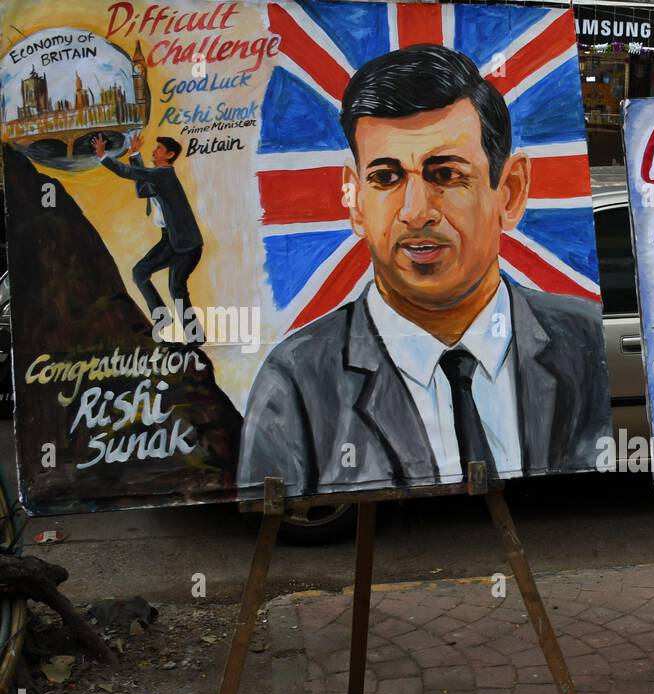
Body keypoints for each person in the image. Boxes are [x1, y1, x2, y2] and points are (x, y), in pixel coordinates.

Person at [238, 44, 608, 496]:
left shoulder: (586, 342)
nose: (415, 212)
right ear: (355, 200)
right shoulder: (296, 383)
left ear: (510, 192)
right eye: (386, 178)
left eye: (446, 175)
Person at [92, 130, 204, 344]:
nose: (154, 151)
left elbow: (128, 173)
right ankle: (181, 328)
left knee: (161, 282)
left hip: (184, 244)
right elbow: (142, 189)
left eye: (159, 149)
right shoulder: (159, 177)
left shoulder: (163, 175)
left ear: (169, 155)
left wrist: (103, 156)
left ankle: (178, 328)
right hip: (175, 240)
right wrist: (134, 155)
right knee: (159, 281)